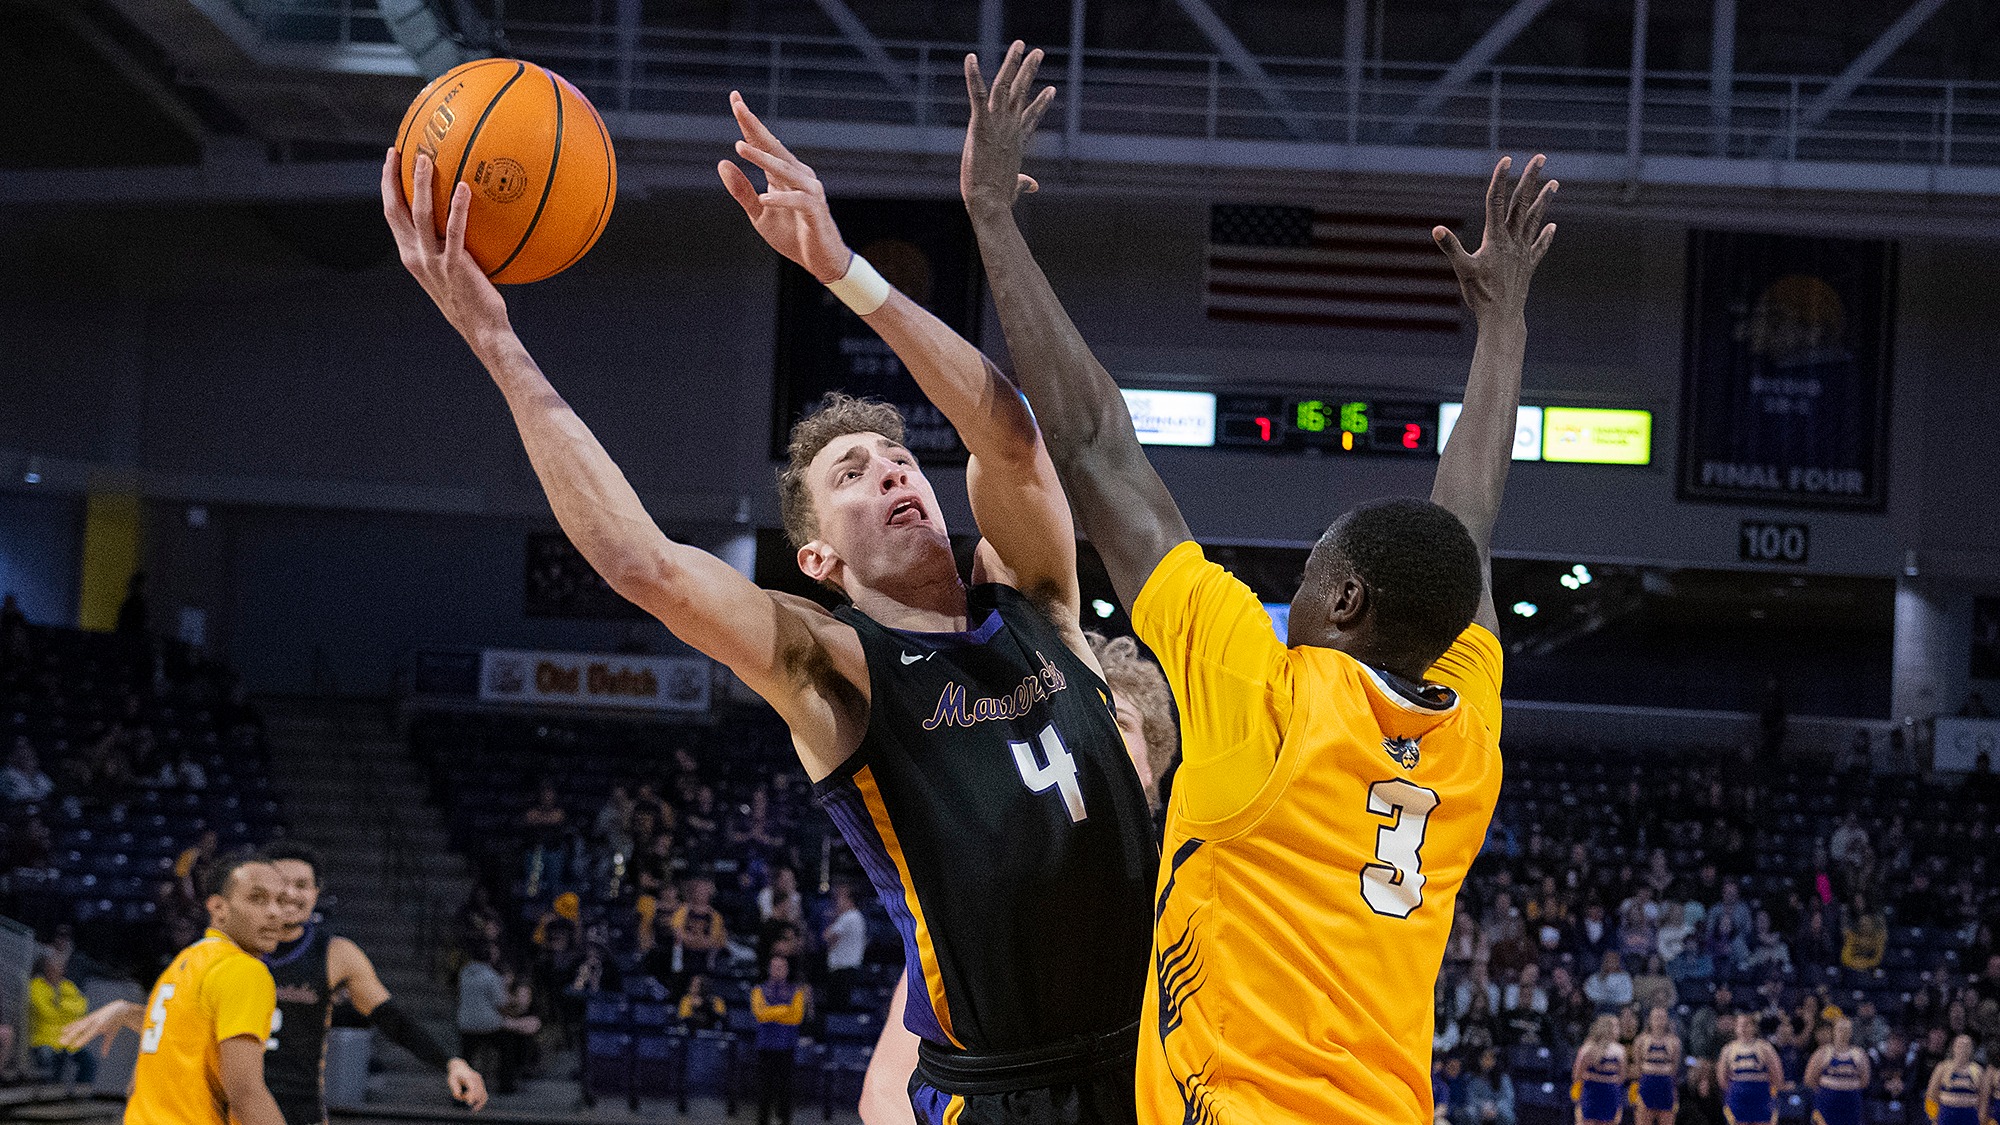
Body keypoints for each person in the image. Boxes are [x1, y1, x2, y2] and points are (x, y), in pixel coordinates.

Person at [383, 81, 1157, 1125]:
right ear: (816, 559)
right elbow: (640, 563)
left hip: (1152, 1068)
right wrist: (496, 342)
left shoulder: (1039, 602)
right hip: (1006, 1095)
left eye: (895, 460)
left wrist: (844, 271)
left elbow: (1009, 434)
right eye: (852, 475)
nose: (891, 474)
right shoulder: (831, 666)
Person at [957, 40, 1552, 1125]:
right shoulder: (1464, 728)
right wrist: (1503, 331)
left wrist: (992, 217)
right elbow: (1459, 529)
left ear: (1345, 604)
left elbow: (1092, 445)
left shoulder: (1263, 692)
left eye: (1312, 566)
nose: (1294, 580)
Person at [63, 843, 488, 1122]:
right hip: (238, 1104)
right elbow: (195, 1032)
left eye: (301, 886)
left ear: (317, 893)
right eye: (277, 887)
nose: (289, 896)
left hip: (293, 1108)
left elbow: (391, 1018)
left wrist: (449, 1061)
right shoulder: (233, 959)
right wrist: (133, 1012)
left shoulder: (333, 953)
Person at [113, 852, 286, 1125]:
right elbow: (245, 1093)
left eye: (281, 901)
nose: (276, 912)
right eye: (257, 898)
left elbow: (134, 1085)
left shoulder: (183, 963)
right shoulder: (243, 970)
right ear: (218, 907)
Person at [457, 945, 537, 1095]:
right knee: (508, 1048)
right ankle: (506, 1085)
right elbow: (501, 1003)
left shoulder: (464, 972)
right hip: (489, 1025)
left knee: (466, 1058)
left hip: (466, 1024)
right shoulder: (491, 976)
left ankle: (462, 1091)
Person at [751, 955, 810, 1125]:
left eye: (781, 967)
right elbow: (760, 1015)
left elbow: (797, 1017)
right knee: (764, 1091)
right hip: (765, 1047)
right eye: (775, 967)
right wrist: (785, 1009)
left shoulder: (797, 991)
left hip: (787, 1048)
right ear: (769, 969)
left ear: (787, 970)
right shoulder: (758, 990)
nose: (778, 970)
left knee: (786, 1090)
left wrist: (772, 1011)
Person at [28, 953, 94, 1085]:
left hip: (68, 1039)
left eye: (59, 968)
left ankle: (78, 1095)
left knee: (89, 1063)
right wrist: (66, 1010)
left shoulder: (67, 986)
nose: (55, 971)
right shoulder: (36, 986)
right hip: (44, 1039)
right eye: (51, 968)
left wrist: (59, 1004)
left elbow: (82, 1007)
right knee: (49, 1060)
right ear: (46, 969)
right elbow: (46, 1013)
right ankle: (49, 1093)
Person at [1719, 1014, 1784, 1125]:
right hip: (1738, 1100)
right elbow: (1722, 1078)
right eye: (1740, 1025)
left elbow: (1777, 1076)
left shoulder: (1765, 1048)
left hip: (1761, 1099)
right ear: (1735, 1028)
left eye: (1747, 1025)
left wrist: (1770, 1094)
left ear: (1754, 1027)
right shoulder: (1728, 1049)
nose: (1743, 1028)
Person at [1806, 1017, 1871, 1125]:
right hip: (1826, 1105)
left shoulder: (1859, 1054)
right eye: (1840, 1029)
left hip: (1850, 1106)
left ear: (1851, 1032)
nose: (1843, 1033)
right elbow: (1809, 1079)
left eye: (1846, 1030)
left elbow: (1865, 1081)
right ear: (1834, 1031)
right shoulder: (1823, 1052)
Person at [1575, 1015, 1629, 1125]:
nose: (1618, 1030)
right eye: (1616, 1026)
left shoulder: (1620, 1050)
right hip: (1592, 1092)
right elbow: (1577, 1075)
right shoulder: (1588, 1048)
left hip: (1610, 1094)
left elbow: (1622, 1076)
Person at [1633, 1006, 1683, 1125]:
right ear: (1649, 1020)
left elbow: (1675, 1067)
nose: (1658, 1021)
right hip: (1647, 1083)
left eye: (1662, 1018)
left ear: (1667, 1020)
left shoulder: (1674, 1041)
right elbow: (1637, 1064)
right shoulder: (1641, 1040)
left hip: (1666, 1084)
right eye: (1656, 1017)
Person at [822, 883, 867, 1006]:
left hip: (844, 971)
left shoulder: (849, 916)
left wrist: (832, 918)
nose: (836, 902)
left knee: (838, 1008)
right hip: (844, 970)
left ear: (849, 900)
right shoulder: (854, 916)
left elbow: (828, 937)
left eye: (840, 898)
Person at [1924, 1035, 1981, 1125]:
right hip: (1947, 1115)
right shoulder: (1942, 1067)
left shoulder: (1978, 1070)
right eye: (1959, 1046)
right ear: (1953, 1047)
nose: (1963, 1049)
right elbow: (1931, 1094)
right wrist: (1933, 1118)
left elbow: (1983, 1097)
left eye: (1966, 1046)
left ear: (1971, 1049)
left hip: (1969, 1116)